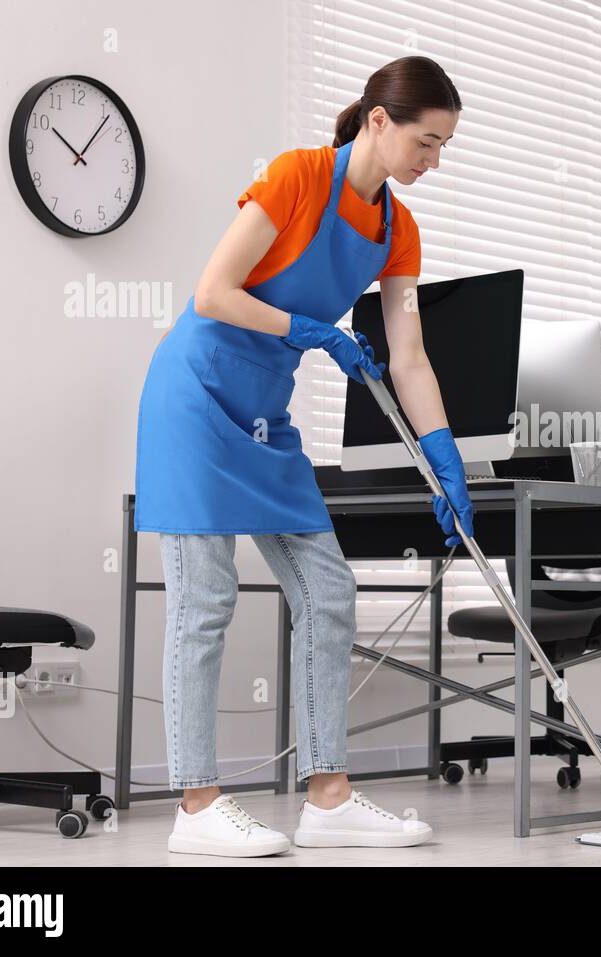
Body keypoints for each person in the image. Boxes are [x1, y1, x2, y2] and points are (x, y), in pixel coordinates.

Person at [134, 55, 474, 857]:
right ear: (379, 122)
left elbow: (410, 357)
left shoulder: (399, 229)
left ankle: (327, 797)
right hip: (194, 396)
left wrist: (444, 455)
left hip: (262, 414)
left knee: (326, 589)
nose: (433, 162)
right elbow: (213, 292)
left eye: (445, 148)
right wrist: (310, 331)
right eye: (426, 142)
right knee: (204, 602)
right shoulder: (295, 177)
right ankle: (196, 806)